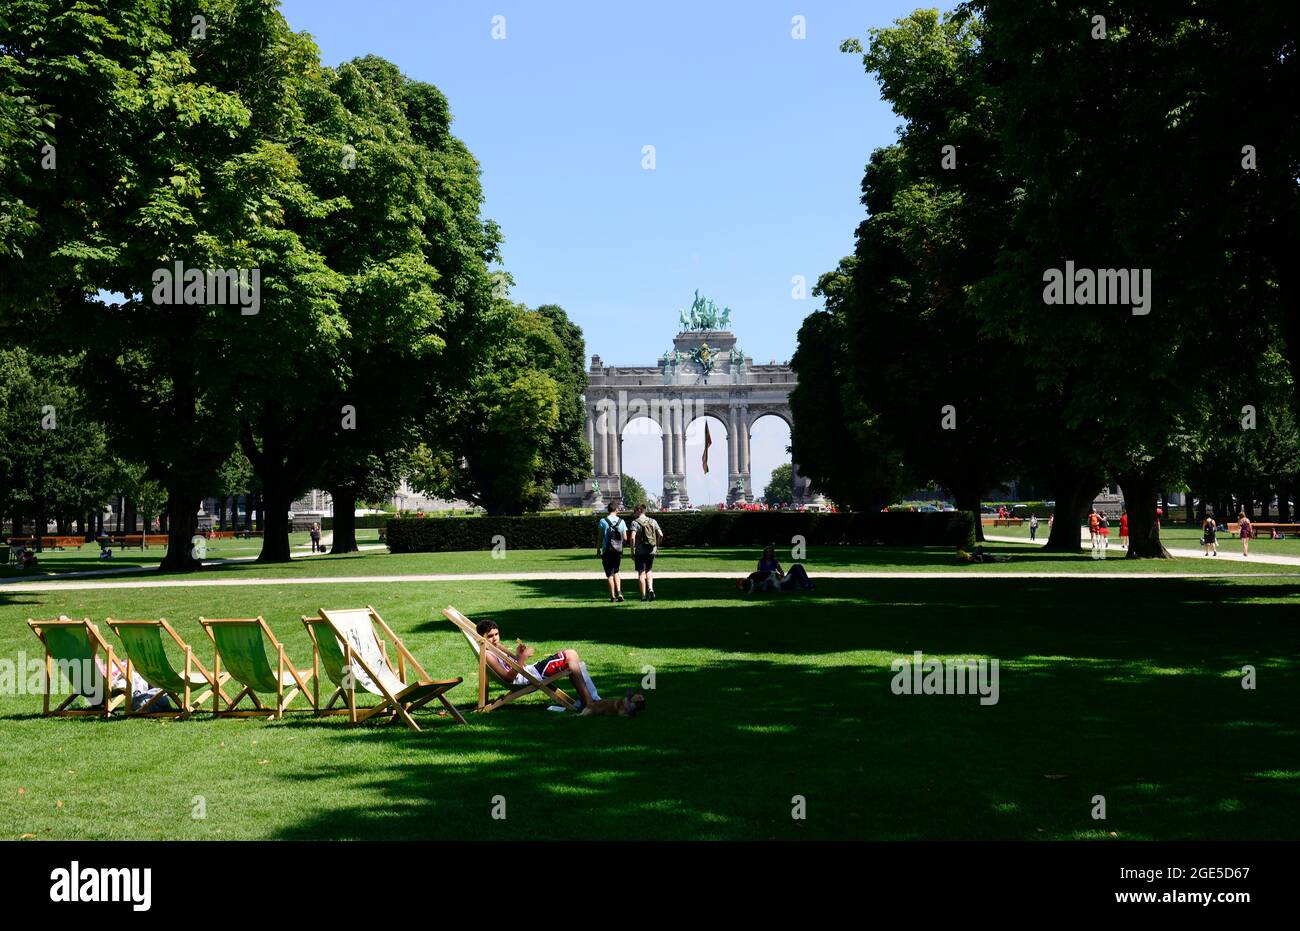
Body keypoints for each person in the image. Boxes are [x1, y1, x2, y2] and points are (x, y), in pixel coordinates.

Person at [475, 618, 601, 710]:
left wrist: (519, 655)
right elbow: (509, 677)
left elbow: (514, 662)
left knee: (573, 661)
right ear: (482, 638)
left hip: (530, 671)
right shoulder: (487, 654)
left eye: (496, 634)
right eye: (490, 636)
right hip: (529, 677)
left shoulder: (495, 647)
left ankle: (587, 701)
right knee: (571, 656)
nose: (495, 638)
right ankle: (590, 702)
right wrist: (523, 657)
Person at [628, 504, 664, 602]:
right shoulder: (653, 521)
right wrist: (656, 545)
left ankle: (643, 596)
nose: (633, 514)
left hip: (640, 551)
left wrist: (632, 551)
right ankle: (651, 589)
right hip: (651, 550)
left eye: (634, 511)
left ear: (639, 511)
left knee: (641, 573)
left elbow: (632, 537)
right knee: (649, 570)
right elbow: (661, 534)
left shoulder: (635, 523)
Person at [596, 503, 628, 602]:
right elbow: (625, 538)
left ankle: (613, 596)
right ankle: (619, 592)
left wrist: (598, 550)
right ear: (616, 510)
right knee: (617, 572)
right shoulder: (621, 521)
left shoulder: (603, 521)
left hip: (607, 550)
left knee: (609, 574)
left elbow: (600, 538)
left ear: (608, 510)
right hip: (618, 550)